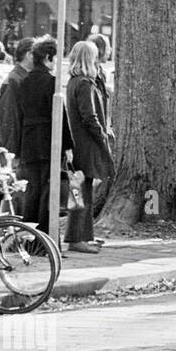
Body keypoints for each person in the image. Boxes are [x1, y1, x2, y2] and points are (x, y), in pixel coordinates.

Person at [17, 36, 71, 239]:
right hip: (49, 141)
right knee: (49, 191)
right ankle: (45, 238)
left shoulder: (24, 81)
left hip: (30, 141)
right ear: (48, 58)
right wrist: (67, 145)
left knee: (33, 189)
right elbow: (60, 116)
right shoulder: (51, 83)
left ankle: (27, 235)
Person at [63, 40, 114, 254]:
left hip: (79, 144)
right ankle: (76, 238)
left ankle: (85, 235)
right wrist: (102, 136)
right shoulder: (84, 84)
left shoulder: (76, 81)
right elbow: (89, 116)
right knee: (80, 191)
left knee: (83, 191)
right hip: (86, 145)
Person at [0, 36, 34, 158]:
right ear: (29, 54)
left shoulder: (23, 78)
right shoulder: (14, 79)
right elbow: (9, 121)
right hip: (18, 153)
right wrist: (11, 155)